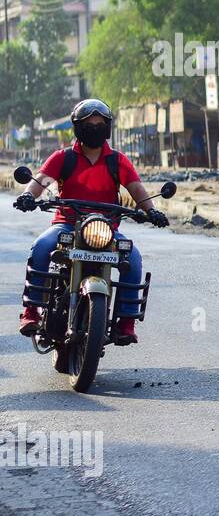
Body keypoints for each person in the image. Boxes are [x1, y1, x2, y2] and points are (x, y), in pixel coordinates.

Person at [15, 99, 168, 346]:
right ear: (78, 127)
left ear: (107, 128)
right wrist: (27, 196)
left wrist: (152, 210)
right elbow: (42, 180)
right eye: (89, 124)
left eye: (99, 124)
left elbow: (137, 189)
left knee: (134, 258)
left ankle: (126, 323)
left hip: (106, 229)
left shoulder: (117, 161)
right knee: (42, 247)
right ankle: (31, 312)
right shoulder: (63, 157)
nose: (94, 128)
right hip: (67, 225)